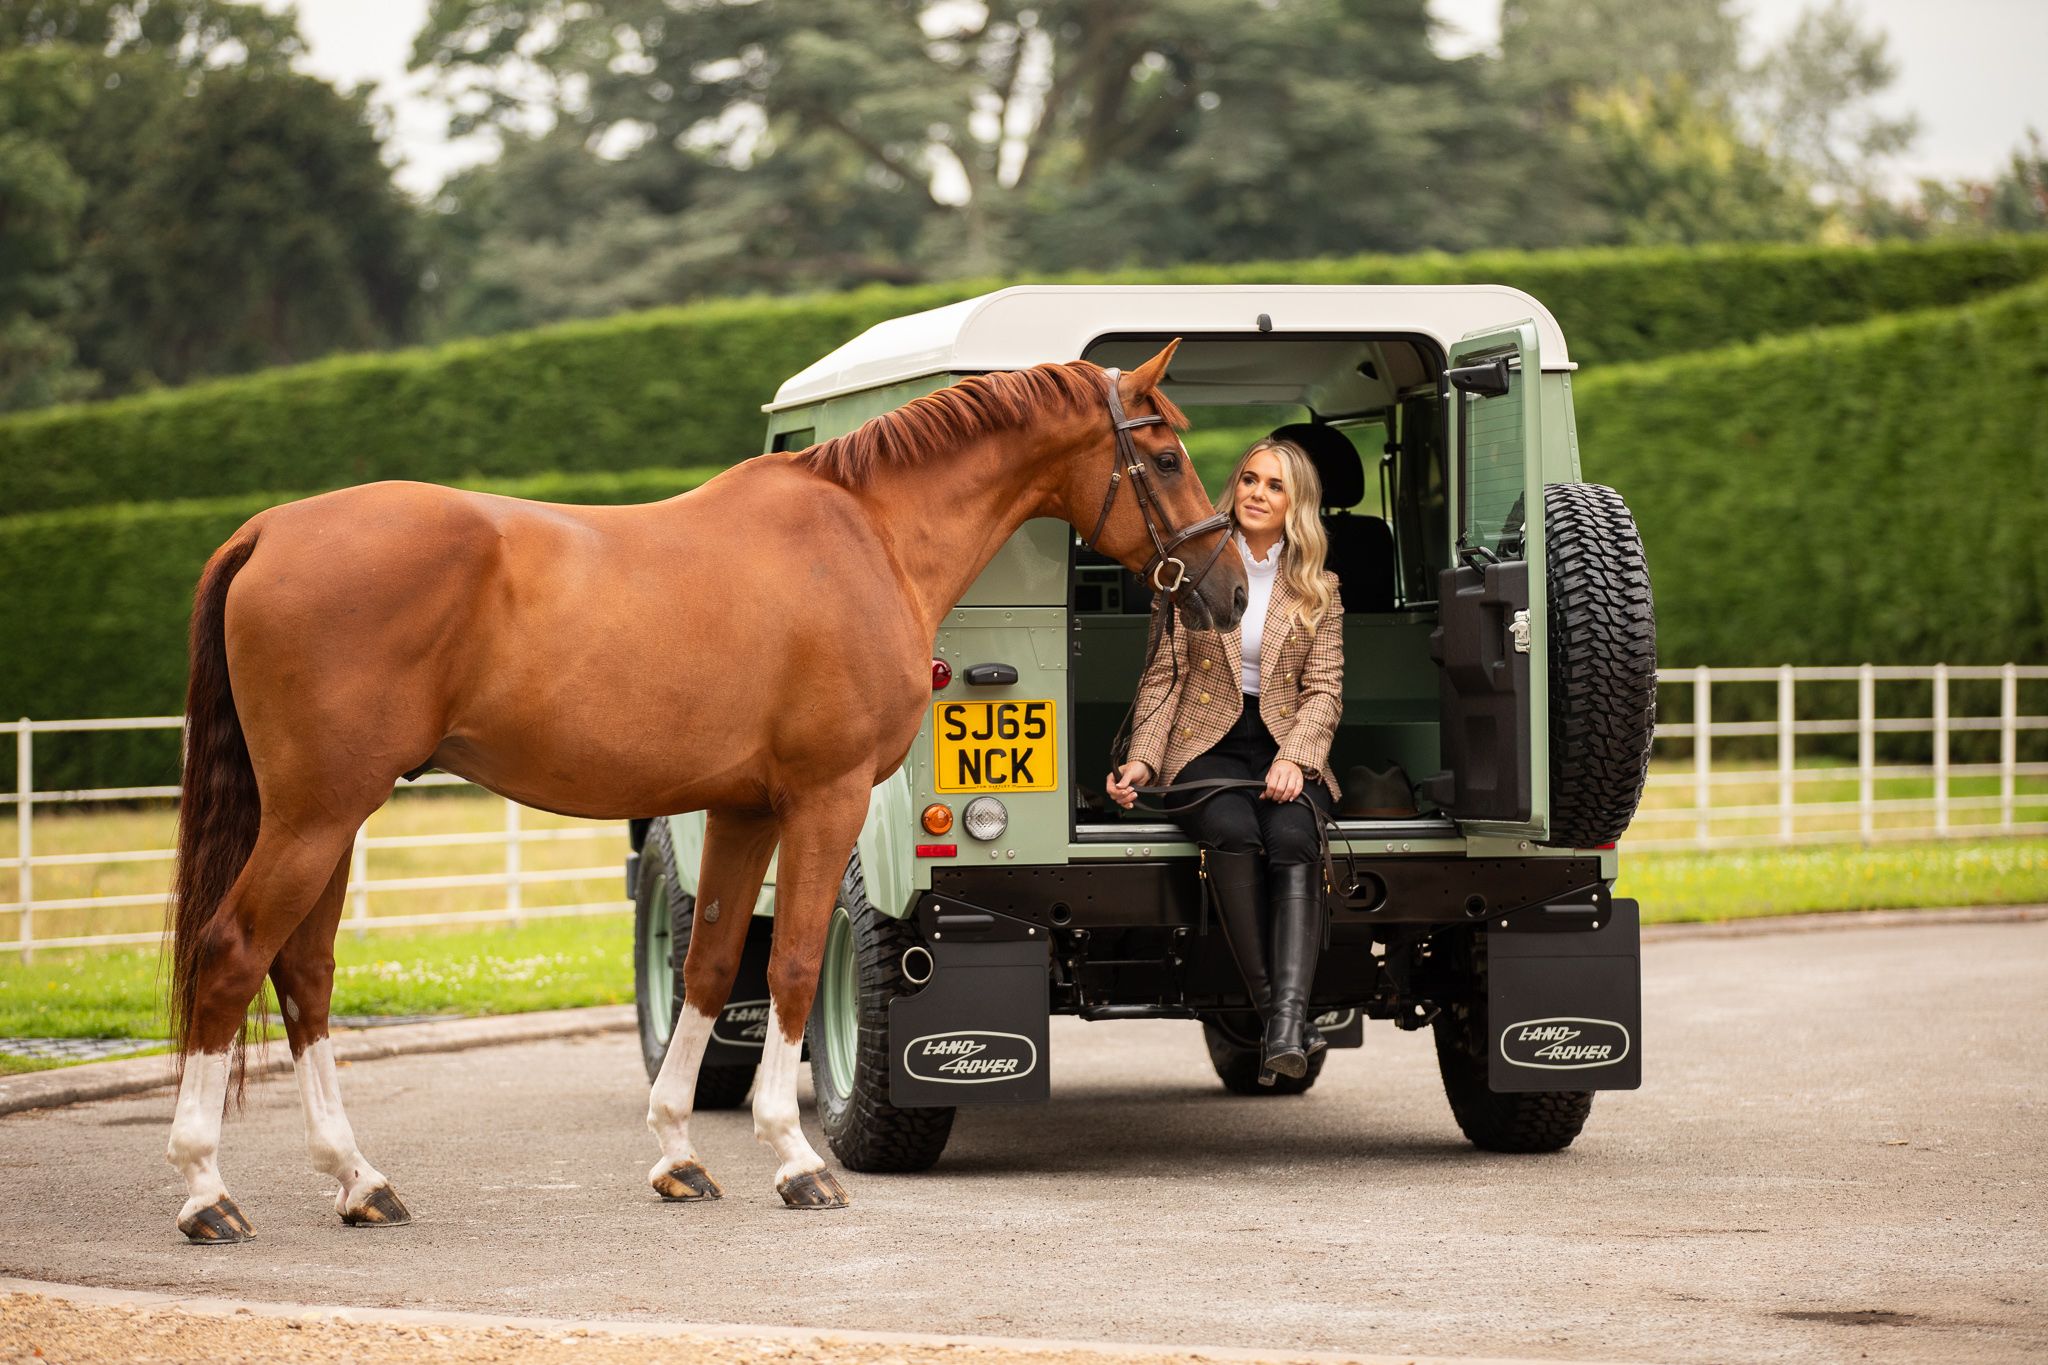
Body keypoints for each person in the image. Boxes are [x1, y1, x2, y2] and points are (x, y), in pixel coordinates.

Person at [1106, 436, 1345, 1081]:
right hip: (1204, 743)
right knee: (1234, 830)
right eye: (1248, 479)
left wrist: (1296, 757)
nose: (1257, 494)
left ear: (1296, 504)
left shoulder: (1320, 588)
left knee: (1295, 835)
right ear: (1232, 489)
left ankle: (1284, 1023)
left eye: (1274, 486)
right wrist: (1143, 764)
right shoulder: (1190, 569)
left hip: (1284, 743)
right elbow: (1164, 679)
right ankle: (1281, 1025)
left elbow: (1324, 690)